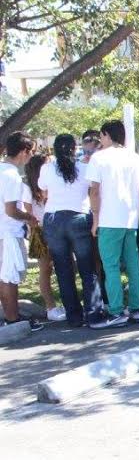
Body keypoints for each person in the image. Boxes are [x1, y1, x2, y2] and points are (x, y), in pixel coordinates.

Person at [87, 120, 139, 328]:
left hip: (109, 219)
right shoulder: (135, 157)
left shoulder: (99, 158)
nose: (100, 140)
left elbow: (94, 191)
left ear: (106, 135)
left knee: (111, 267)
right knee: (133, 265)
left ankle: (116, 311)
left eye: (101, 136)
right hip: (130, 218)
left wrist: (95, 219)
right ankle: (136, 308)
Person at [41, 134, 102, 327]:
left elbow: (43, 189)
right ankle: (93, 314)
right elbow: (93, 190)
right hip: (79, 217)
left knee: (63, 270)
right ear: (74, 149)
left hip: (53, 218)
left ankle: (74, 317)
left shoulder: (47, 168)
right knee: (87, 269)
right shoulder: (84, 168)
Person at [1, 132, 43, 331]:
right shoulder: (11, 175)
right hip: (8, 232)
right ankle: (13, 319)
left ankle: (11, 315)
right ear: (24, 151)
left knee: (4, 276)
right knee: (10, 278)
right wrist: (30, 218)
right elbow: (11, 210)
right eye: (31, 151)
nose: (31, 156)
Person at [24, 154, 64, 321]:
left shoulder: (51, 183)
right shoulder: (27, 188)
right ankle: (50, 307)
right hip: (40, 231)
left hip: (58, 228)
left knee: (64, 266)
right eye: (48, 163)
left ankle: (67, 302)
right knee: (45, 269)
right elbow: (28, 214)